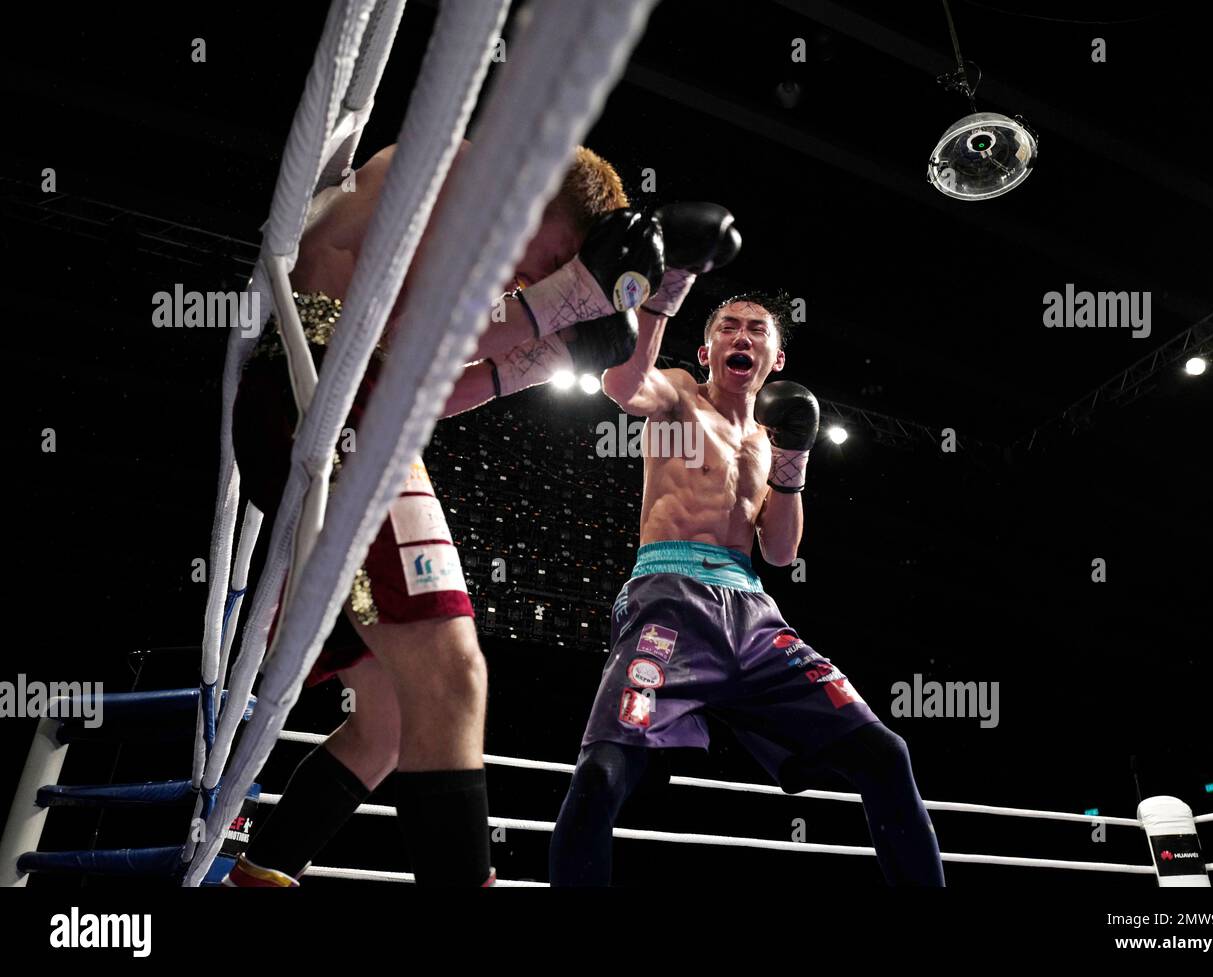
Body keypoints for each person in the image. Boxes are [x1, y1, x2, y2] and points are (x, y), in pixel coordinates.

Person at [224, 141, 663, 887]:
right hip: (324, 395)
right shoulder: (469, 163)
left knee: (392, 719)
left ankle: (258, 874)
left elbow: (428, 387)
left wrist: (547, 351)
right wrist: (560, 303)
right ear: (549, 201)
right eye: (556, 256)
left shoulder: (479, 245)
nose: (533, 277)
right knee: (453, 673)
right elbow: (402, 339)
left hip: (356, 409)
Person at [549, 280, 946, 886]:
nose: (743, 336)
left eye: (757, 329)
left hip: (755, 616)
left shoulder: (769, 442)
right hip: (669, 602)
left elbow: (781, 552)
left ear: (776, 359)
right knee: (604, 773)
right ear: (707, 351)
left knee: (884, 755)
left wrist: (798, 456)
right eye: (728, 327)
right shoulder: (680, 396)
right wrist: (663, 300)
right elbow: (623, 385)